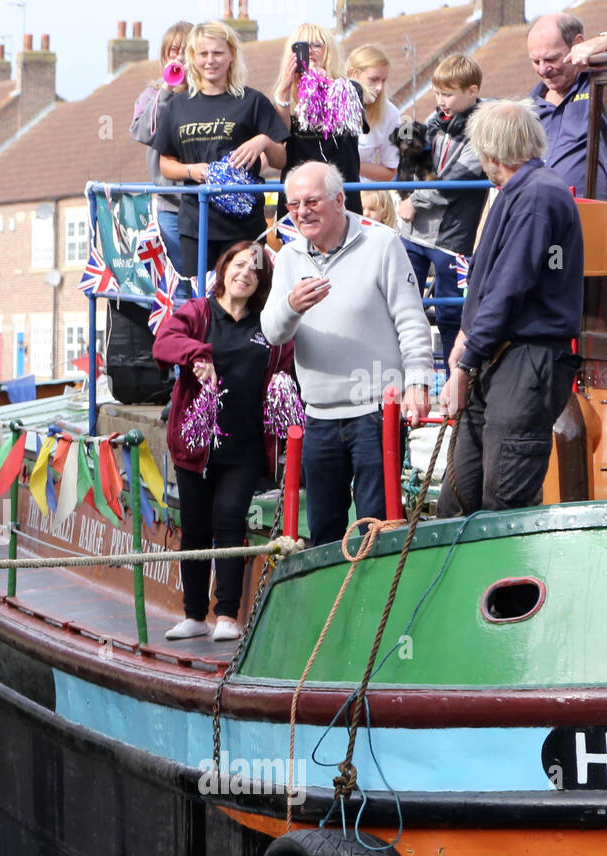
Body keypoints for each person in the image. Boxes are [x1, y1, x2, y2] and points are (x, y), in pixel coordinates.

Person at [261, 162, 433, 547]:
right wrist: (291, 305)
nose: (301, 211)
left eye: (311, 201)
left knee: (379, 526)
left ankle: (379, 606)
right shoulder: (288, 258)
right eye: (292, 204)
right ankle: (334, 605)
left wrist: (418, 383)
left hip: (375, 413)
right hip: (318, 416)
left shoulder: (382, 244)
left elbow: (412, 320)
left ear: (339, 200)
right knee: (324, 531)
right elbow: (272, 332)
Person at [438, 100, 584, 516]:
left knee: (503, 499)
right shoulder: (522, 193)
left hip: (526, 360)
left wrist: (466, 360)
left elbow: (508, 287)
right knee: (459, 497)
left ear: (490, 151)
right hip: (502, 355)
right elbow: (499, 285)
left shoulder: (536, 198)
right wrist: (470, 345)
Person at [153, 242, 295, 641]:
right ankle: (194, 615)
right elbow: (164, 342)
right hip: (194, 445)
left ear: (261, 281)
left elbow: (285, 366)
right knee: (195, 528)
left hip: (245, 445)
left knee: (230, 519)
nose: (245, 272)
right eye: (239, 264)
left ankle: (228, 616)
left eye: (255, 269)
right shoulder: (198, 313)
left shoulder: (268, 326)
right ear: (224, 268)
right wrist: (196, 355)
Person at [155, 21, 289, 277]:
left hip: (244, 226)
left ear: (231, 56)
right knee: (202, 303)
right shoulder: (178, 105)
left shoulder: (253, 101)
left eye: (217, 53)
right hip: (196, 223)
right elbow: (165, 164)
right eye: (203, 54)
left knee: (248, 298)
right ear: (193, 58)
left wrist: (263, 140)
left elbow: (281, 159)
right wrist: (191, 170)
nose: (210, 61)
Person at [399, 55, 488, 368]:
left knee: (451, 314)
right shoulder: (433, 123)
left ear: (472, 91)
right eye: (437, 94)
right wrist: (404, 190)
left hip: (450, 239)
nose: (441, 101)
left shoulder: (481, 132)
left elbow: (455, 181)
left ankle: (453, 382)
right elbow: (414, 166)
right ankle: (407, 381)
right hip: (412, 234)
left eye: (448, 94)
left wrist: (414, 201)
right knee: (403, 307)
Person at [273, 24, 365, 214]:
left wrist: (319, 85)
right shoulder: (285, 94)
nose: (310, 51)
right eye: (302, 47)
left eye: (317, 45)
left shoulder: (348, 88)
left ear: (328, 51)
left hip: (341, 193)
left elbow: (354, 124)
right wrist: (283, 91)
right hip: (299, 197)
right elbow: (279, 138)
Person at [131, 22, 194, 281]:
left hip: (202, 202)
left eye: (185, 51)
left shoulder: (206, 94)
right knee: (175, 280)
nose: (178, 57)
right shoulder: (151, 95)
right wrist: (167, 90)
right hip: (169, 205)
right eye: (173, 51)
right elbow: (142, 133)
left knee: (202, 280)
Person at [529, 12, 607, 198]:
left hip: (590, 217)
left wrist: (602, 42)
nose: (543, 69)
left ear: (577, 44)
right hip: (538, 215)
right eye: (535, 61)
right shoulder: (528, 106)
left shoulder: (599, 86)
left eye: (551, 59)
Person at [347, 44, 401, 183]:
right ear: (352, 74)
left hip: (362, 193)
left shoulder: (390, 113)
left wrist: (351, 164)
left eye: (384, 80)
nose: (380, 87)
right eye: (373, 79)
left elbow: (390, 170)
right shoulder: (327, 103)